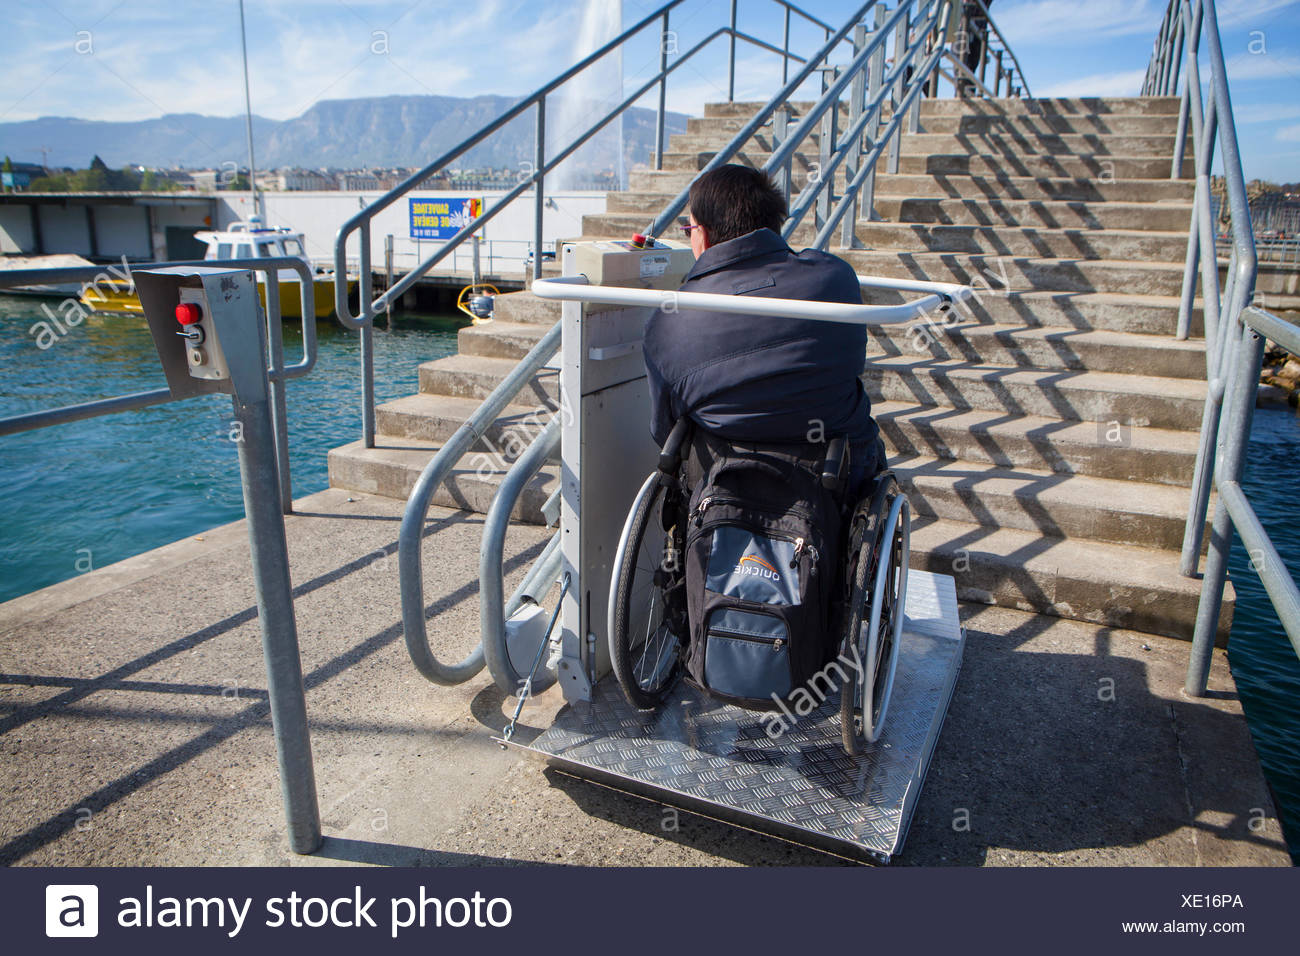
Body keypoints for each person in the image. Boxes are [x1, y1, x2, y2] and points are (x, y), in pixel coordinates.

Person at [642, 163, 885, 501]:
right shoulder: (836, 279)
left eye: (690, 229)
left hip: (721, 482)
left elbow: (663, 428)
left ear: (706, 235)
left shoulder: (670, 319)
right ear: (773, 222)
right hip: (835, 478)